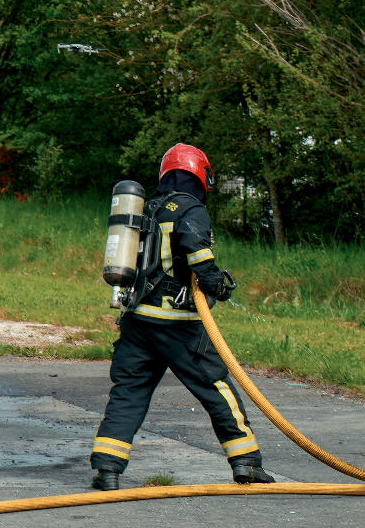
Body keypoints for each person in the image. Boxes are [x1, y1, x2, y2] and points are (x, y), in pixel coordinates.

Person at [89, 143, 274, 490]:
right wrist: (213, 278)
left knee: (128, 392)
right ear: (200, 176)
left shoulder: (147, 208)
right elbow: (195, 246)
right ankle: (246, 462)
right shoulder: (190, 208)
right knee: (217, 388)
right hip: (178, 324)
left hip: (137, 322)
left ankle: (107, 469)